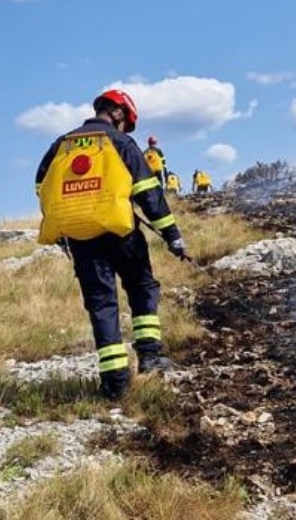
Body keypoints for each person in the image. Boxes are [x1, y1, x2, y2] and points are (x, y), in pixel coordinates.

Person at [35, 89, 189, 401]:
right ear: (117, 113)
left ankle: (115, 383)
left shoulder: (60, 146)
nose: (125, 129)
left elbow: (42, 187)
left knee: (101, 304)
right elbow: (149, 193)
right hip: (122, 233)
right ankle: (149, 357)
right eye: (126, 122)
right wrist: (173, 236)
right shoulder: (119, 143)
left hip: (80, 239)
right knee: (142, 287)